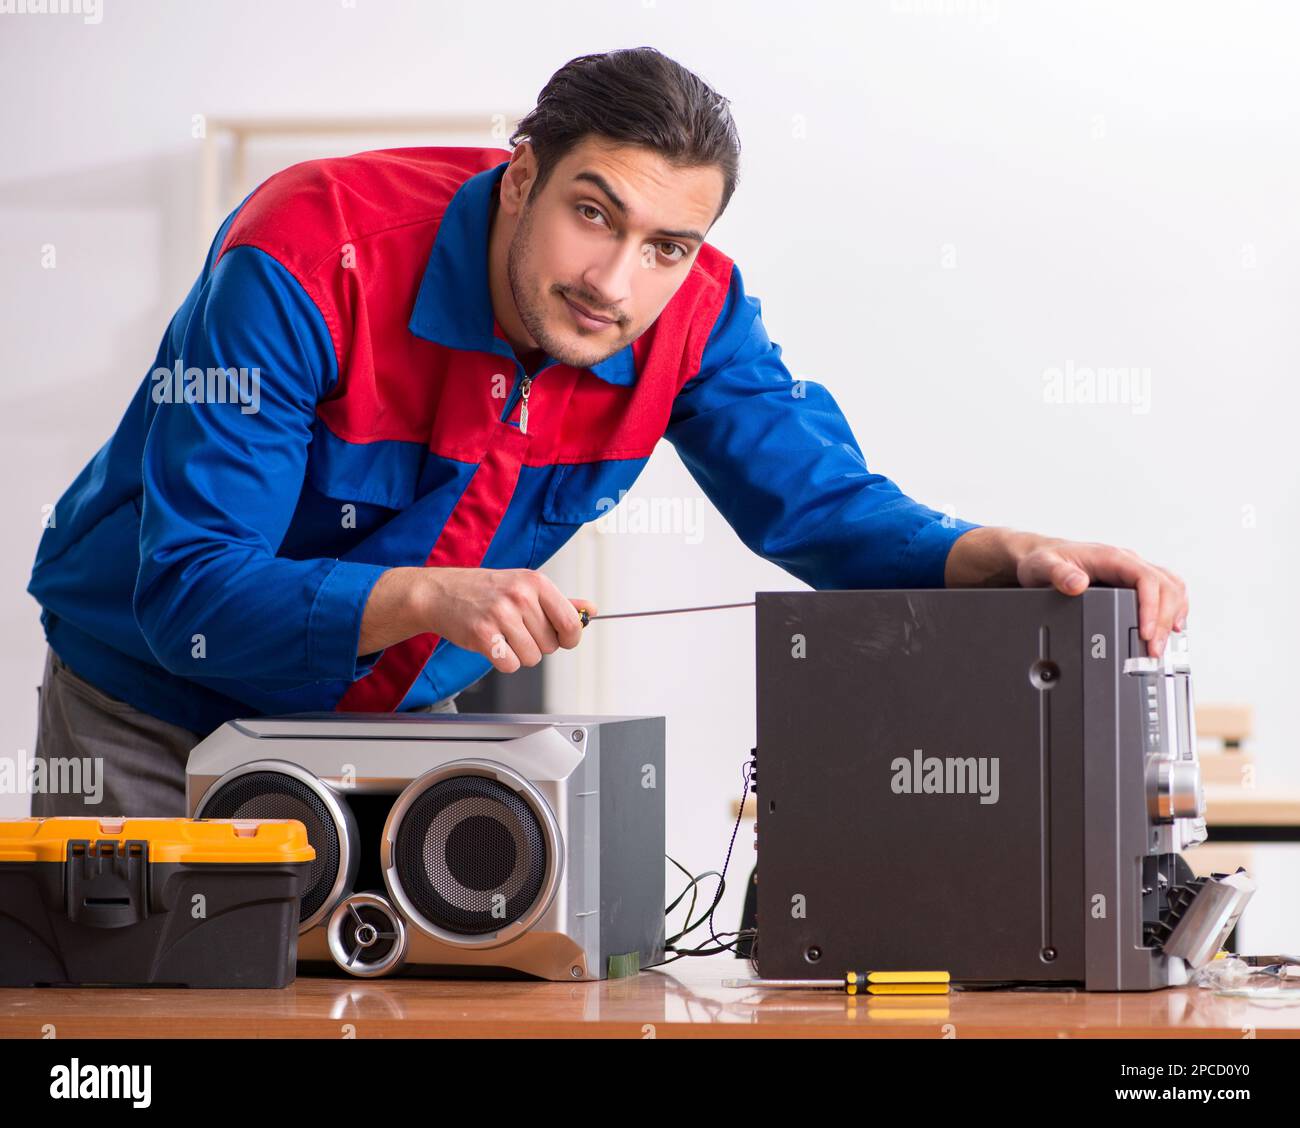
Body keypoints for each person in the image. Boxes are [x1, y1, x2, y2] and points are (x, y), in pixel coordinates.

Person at [26, 47, 1187, 817]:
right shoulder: (307, 254)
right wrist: (430, 598)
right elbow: (189, 593)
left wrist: (1011, 553)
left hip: (397, 737)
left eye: (667, 246)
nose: (616, 282)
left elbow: (825, 509)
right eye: (594, 214)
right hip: (148, 722)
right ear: (521, 178)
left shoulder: (697, 310)